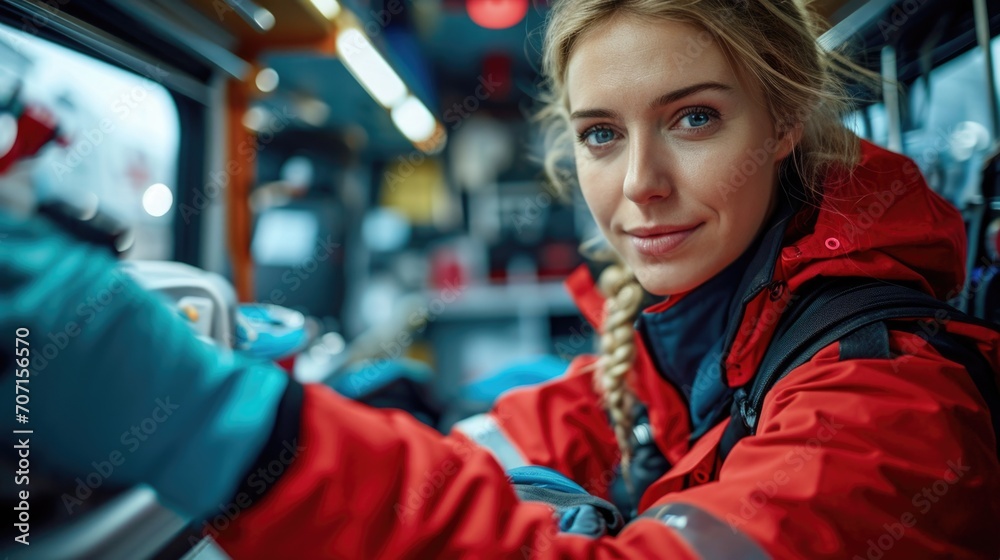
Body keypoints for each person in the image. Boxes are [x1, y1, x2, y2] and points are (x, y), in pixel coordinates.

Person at [3, 0, 999, 558]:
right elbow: (568, 416)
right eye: (602, 134)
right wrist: (339, 406)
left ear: (782, 122)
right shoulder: (696, 330)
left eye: (693, 118)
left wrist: (221, 428)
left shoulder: (885, 406)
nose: (640, 185)